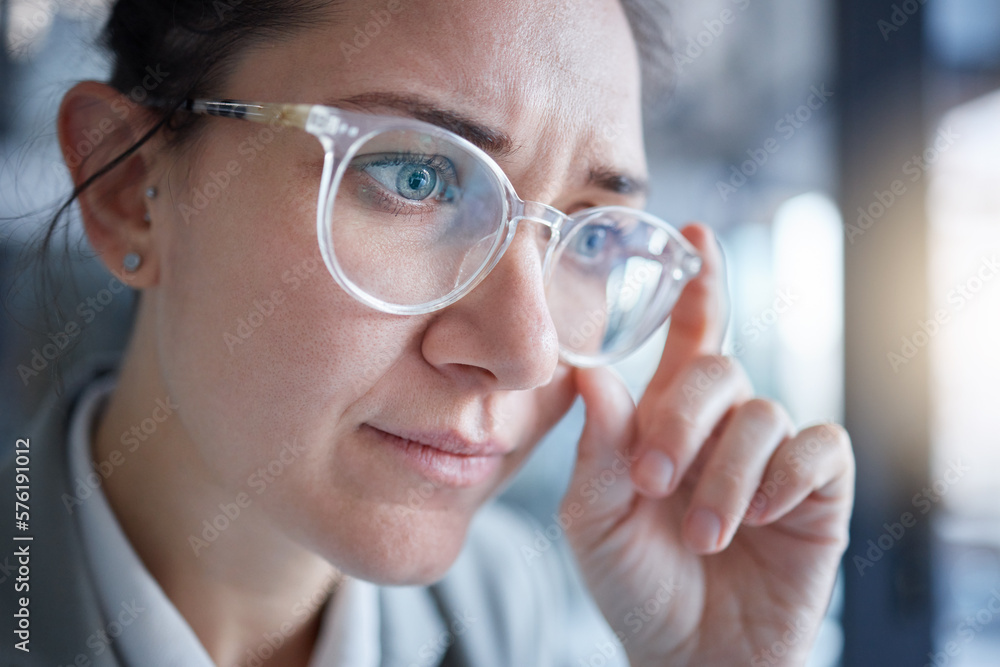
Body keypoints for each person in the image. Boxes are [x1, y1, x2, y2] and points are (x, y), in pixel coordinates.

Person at [1, 0, 855, 665]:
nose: (525, 353)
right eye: (418, 176)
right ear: (129, 188)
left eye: (591, 236)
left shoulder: (510, 605)